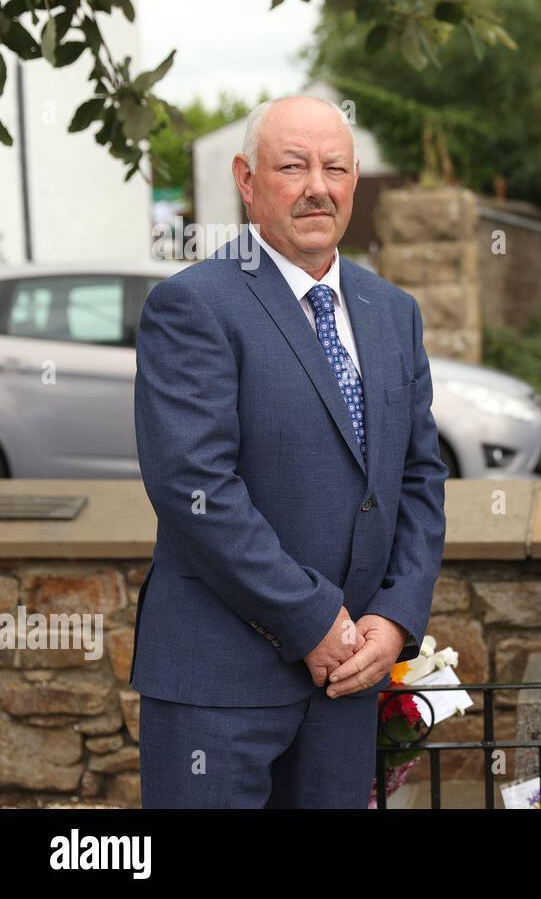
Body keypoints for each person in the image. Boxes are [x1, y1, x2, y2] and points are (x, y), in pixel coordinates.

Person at [131, 95, 447, 808]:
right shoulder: (194, 306)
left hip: (346, 689)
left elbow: (420, 478)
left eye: (335, 168)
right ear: (246, 180)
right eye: (293, 166)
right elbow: (193, 486)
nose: (317, 186)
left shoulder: (392, 312)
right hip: (219, 692)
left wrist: (394, 619)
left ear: (355, 181)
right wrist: (315, 622)